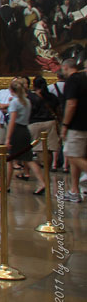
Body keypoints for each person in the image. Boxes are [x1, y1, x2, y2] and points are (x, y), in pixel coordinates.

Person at [0, 79, 45, 195]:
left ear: (11, 90)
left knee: (9, 159)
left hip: (16, 131)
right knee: (28, 159)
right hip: (25, 129)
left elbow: (12, 121)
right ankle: (42, 182)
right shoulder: (27, 101)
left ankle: (5, 186)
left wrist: (8, 138)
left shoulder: (15, 102)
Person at [59, 58, 87, 202]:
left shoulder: (72, 81)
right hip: (83, 124)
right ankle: (74, 190)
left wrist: (65, 125)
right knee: (76, 156)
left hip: (76, 125)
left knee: (71, 155)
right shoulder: (83, 78)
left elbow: (71, 104)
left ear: (65, 67)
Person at [29, 76, 61, 171]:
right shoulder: (51, 96)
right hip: (50, 123)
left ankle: (42, 168)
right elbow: (58, 111)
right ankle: (48, 168)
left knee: (38, 149)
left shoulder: (31, 97)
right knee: (49, 148)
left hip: (35, 123)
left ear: (34, 85)